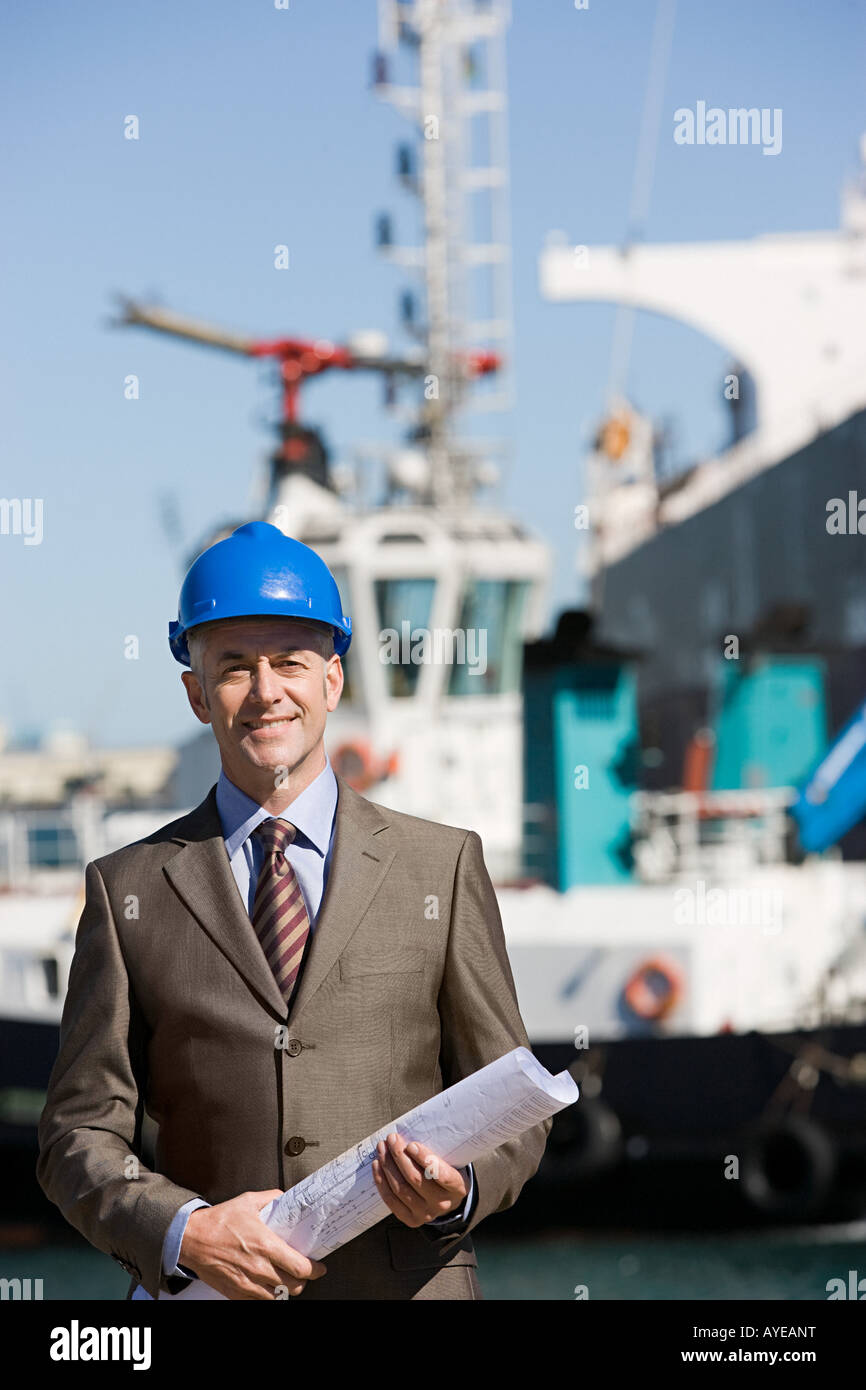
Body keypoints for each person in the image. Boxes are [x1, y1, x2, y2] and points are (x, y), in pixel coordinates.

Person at [37, 520, 550, 1300]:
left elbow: (510, 1096)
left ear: (333, 681)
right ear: (195, 692)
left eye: (290, 663)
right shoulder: (125, 890)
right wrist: (184, 1230)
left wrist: (462, 1187)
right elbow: (77, 1136)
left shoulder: (440, 864)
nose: (267, 690)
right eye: (235, 667)